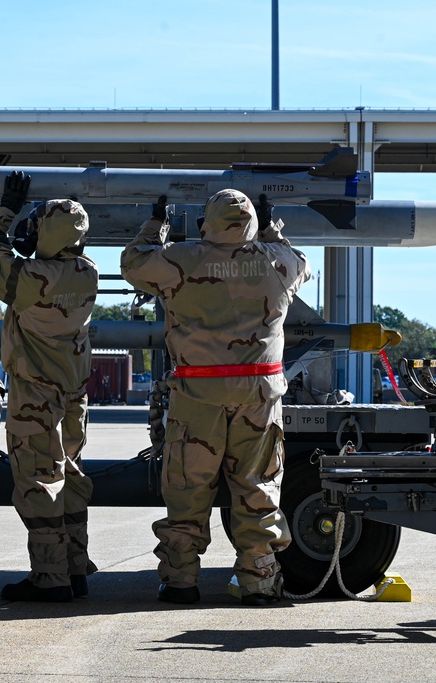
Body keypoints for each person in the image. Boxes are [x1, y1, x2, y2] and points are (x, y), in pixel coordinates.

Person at [120, 189, 311, 605]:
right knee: (258, 488)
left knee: (187, 489)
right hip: (259, 396)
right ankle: (259, 581)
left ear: (205, 223)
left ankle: (180, 580)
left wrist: (156, 224)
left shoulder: (182, 259)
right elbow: (300, 263)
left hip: (198, 395)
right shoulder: (280, 262)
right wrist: (271, 229)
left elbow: (132, 263)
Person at [0, 171, 99, 602]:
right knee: (72, 478)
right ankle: (76, 568)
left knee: (40, 483)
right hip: (73, 396)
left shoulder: (29, 279)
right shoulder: (88, 272)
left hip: (36, 397)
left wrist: (6, 211)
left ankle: (49, 576)